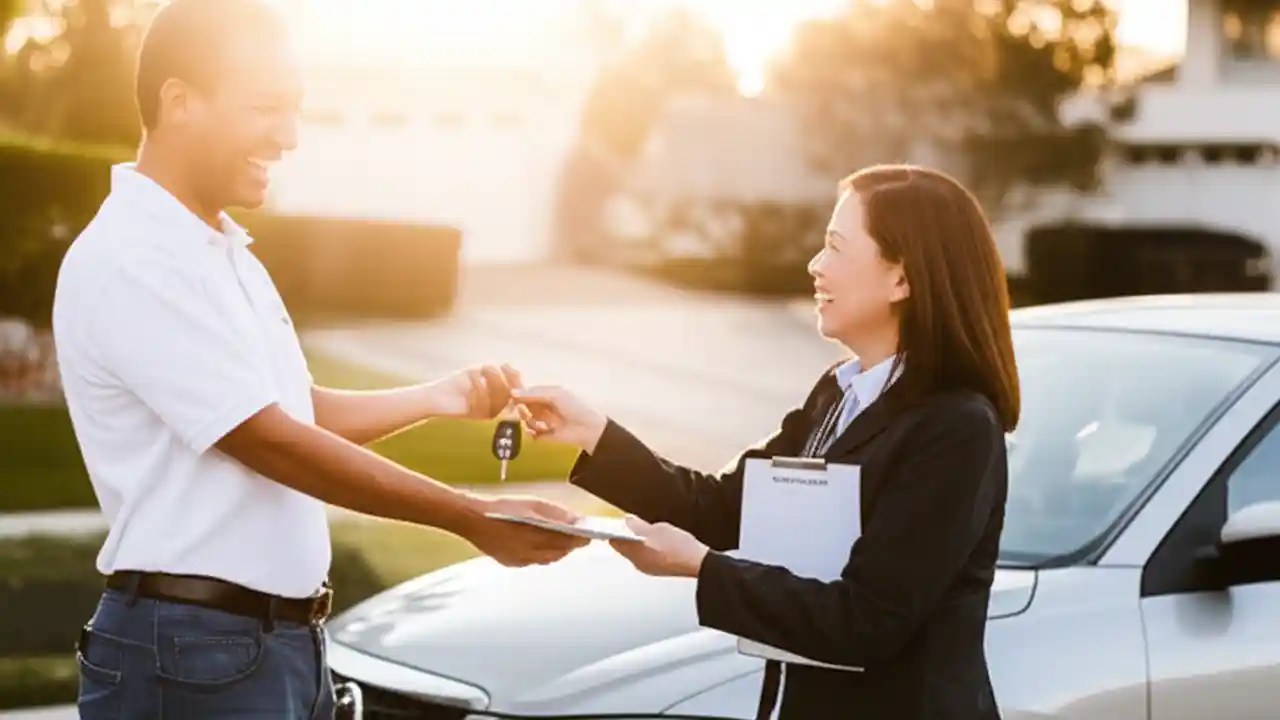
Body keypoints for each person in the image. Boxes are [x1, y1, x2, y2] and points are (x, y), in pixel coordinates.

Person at [51, 1, 586, 717]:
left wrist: (442, 396)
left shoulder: (223, 251)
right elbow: (272, 443)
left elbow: (295, 412)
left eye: (296, 110)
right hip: (192, 658)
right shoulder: (131, 259)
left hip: (268, 647)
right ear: (180, 102)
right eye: (267, 108)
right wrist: (469, 516)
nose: (291, 137)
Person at [514, 164, 1020, 719]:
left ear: (902, 279)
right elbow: (722, 508)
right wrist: (596, 435)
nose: (815, 265)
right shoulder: (837, 394)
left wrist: (702, 569)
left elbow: (868, 620)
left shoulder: (956, 429)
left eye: (835, 247)